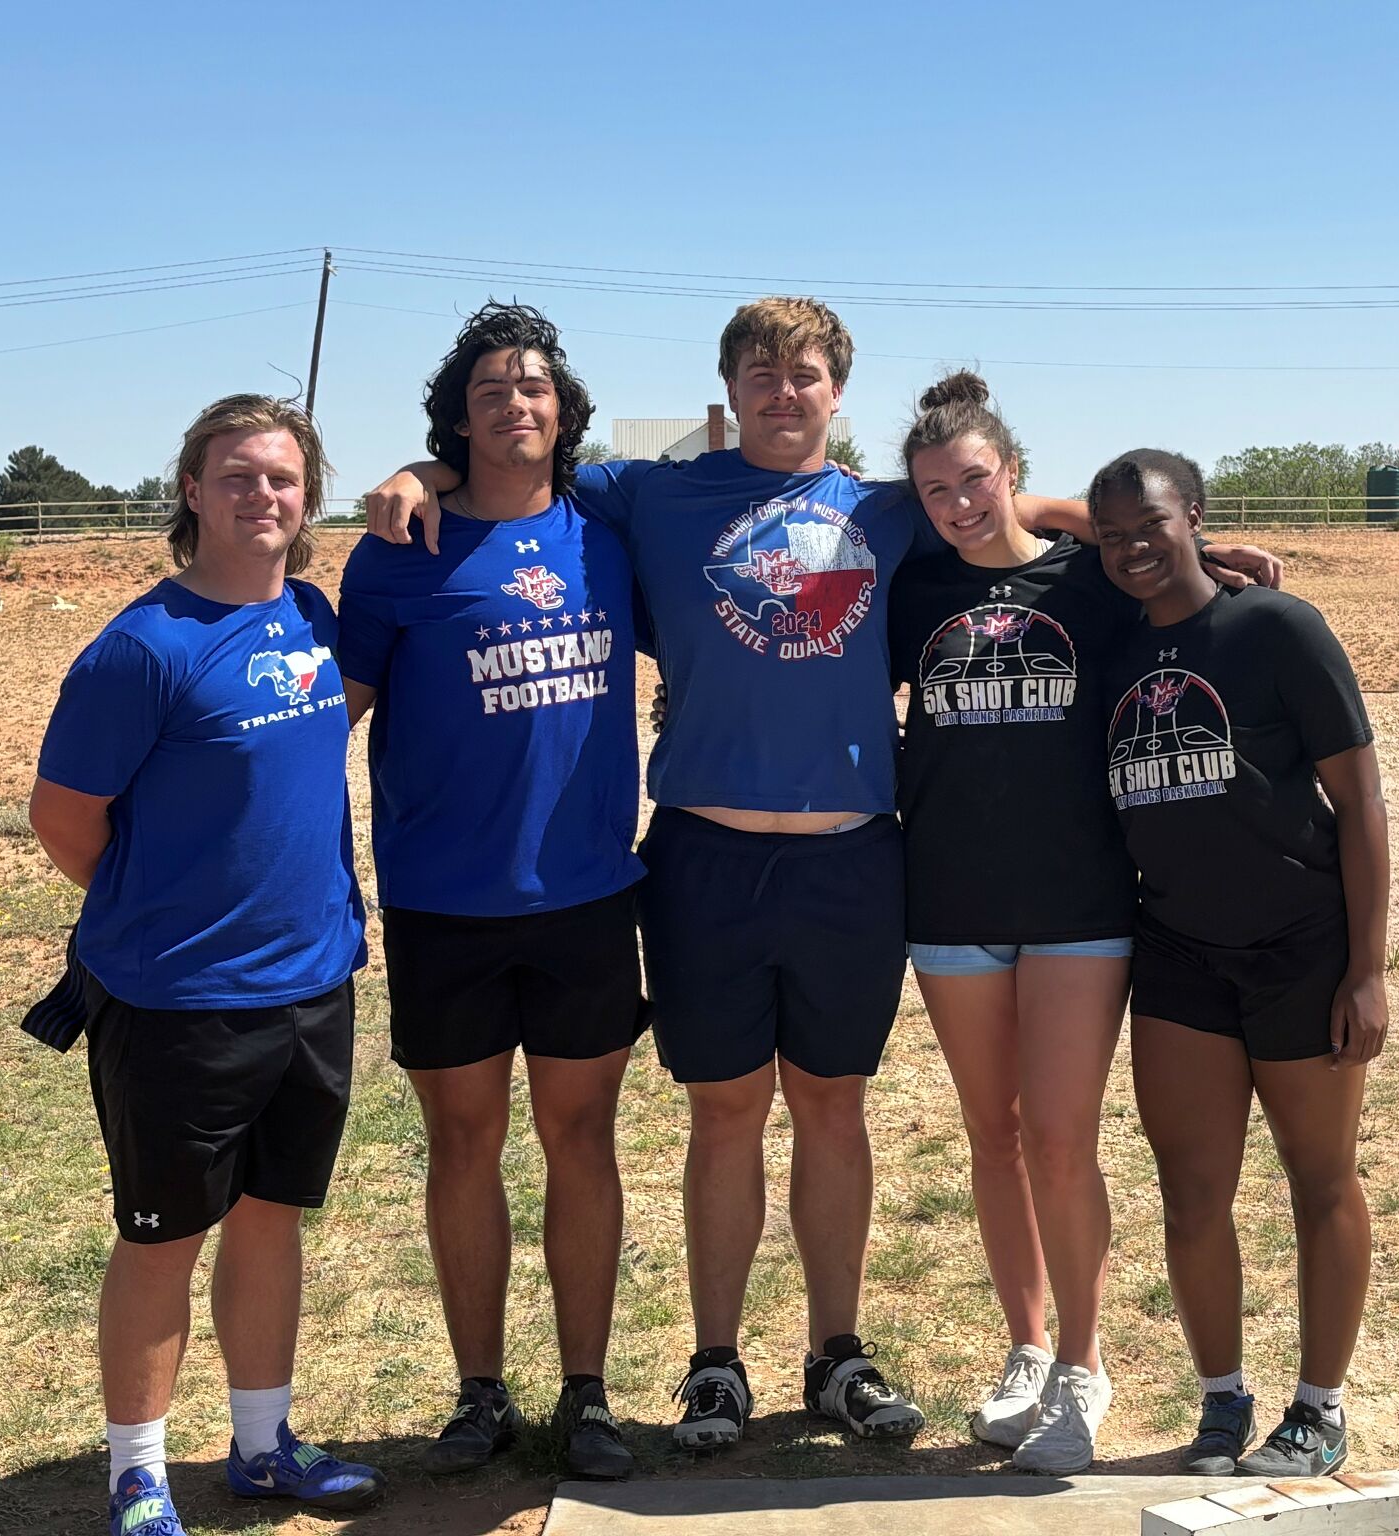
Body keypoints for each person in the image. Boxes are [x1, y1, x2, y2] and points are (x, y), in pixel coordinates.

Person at [364, 298, 1279, 1452]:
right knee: (724, 1113)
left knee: (832, 1110)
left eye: (803, 372)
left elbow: (996, 501)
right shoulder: (647, 492)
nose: (781, 390)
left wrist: (1168, 543)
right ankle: (713, 1362)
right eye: (759, 370)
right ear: (728, 388)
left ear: (836, 392)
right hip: (702, 852)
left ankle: (835, 1352)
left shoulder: (883, 508)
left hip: (853, 855)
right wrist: (415, 470)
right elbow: (512, 460)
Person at [27, 396, 381, 1536]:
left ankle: (263, 1443)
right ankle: (138, 1471)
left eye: (280, 477)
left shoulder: (317, 620)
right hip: (179, 1001)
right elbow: (64, 821)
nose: (259, 496)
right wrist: (157, 915)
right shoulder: (142, 649)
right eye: (235, 475)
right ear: (191, 490)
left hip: (313, 986)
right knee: (160, 1239)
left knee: (272, 1219)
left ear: (307, 495)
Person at [336, 303, 645, 1481]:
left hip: (583, 897)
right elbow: (338, 713)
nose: (514, 404)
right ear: (453, 420)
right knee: (461, 1145)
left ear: (561, 410)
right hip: (442, 899)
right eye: (487, 392)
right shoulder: (399, 550)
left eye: (532, 388)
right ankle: (478, 1393)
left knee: (582, 1140)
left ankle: (587, 1394)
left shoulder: (606, 530)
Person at [1091, 449, 1390, 1479]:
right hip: (1175, 955)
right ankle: (1220, 1401)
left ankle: (1319, 1406)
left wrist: (1366, 969)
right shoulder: (1113, 646)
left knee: (1319, 1180)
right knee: (1189, 1194)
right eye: (1112, 532)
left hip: (1302, 949)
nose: (1132, 547)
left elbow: (1359, 802)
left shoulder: (1275, 628)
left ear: (1197, 519)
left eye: (1153, 526)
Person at [885, 373, 1140, 1472]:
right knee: (992, 1134)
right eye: (934, 489)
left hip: (1078, 898)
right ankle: (1026, 1350)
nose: (956, 504)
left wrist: (1222, 555)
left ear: (1013, 475)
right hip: (948, 894)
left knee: (1058, 1137)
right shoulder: (909, 588)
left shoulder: (1089, 583)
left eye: (975, 481)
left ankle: (1084, 1370)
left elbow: (1153, 542)